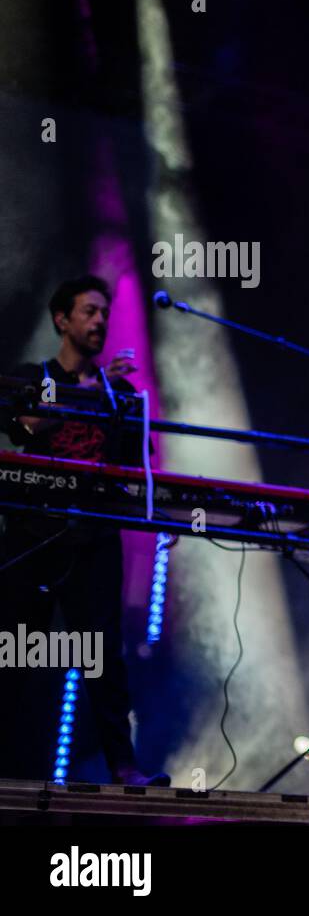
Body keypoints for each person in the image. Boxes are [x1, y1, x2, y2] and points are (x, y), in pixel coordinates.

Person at [0, 275, 168, 786]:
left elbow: (140, 465)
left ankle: (124, 765)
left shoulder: (115, 392)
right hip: (34, 533)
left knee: (103, 656)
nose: (100, 322)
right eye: (89, 312)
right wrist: (86, 394)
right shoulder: (41, 376)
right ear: (61, 319)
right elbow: (26, 424)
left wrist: (164, 515)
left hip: (93, 539)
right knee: (12, 648)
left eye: (104, 313)